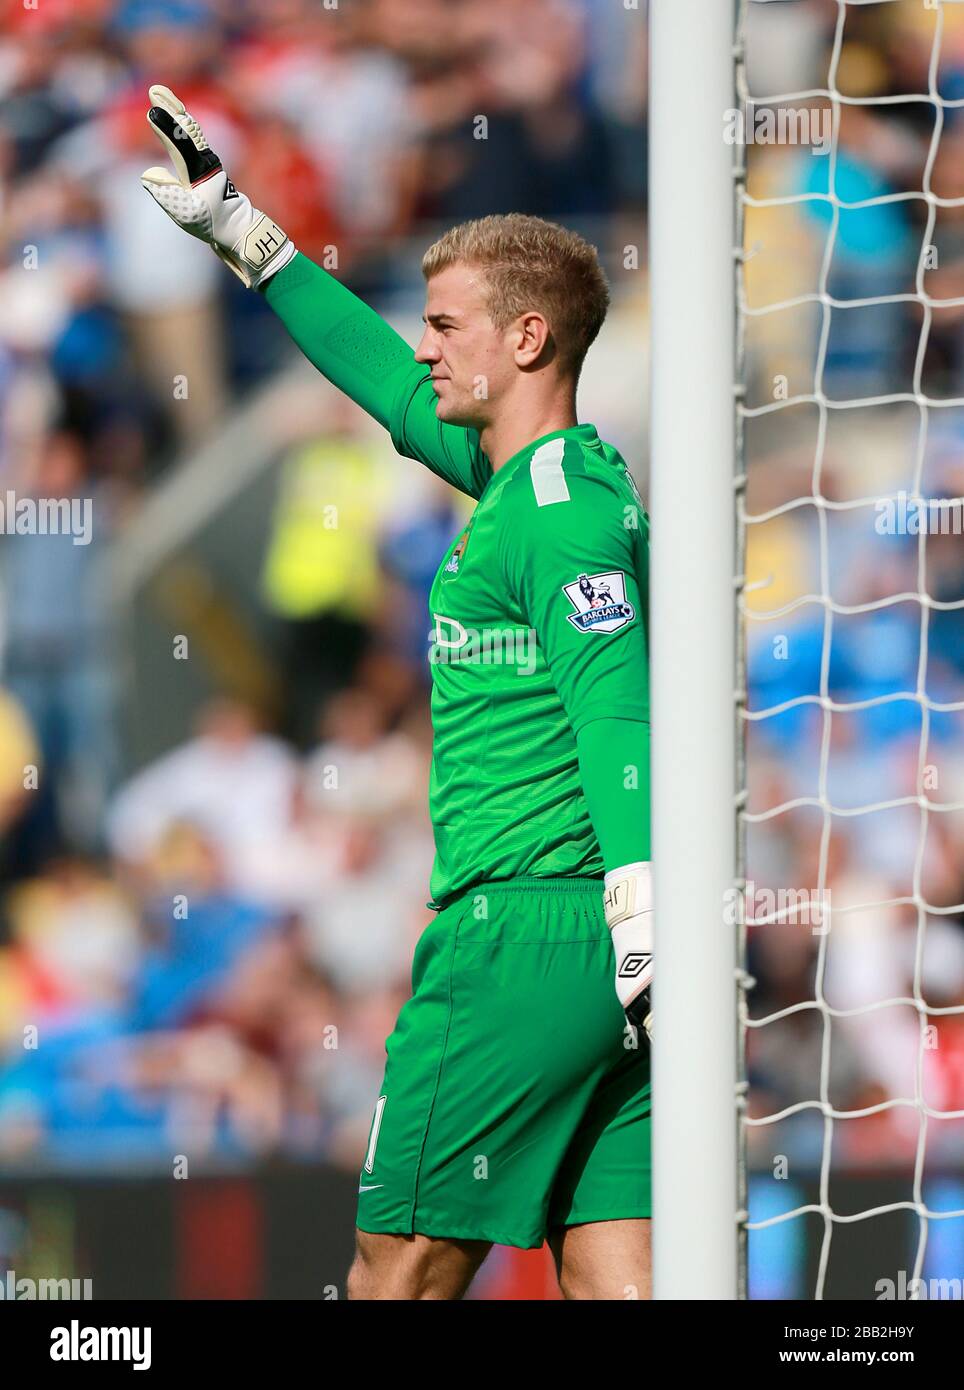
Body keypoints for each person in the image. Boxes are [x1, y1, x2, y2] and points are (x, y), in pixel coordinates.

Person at [140, 85, 653, 1300]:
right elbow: (380, 378)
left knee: (394, 1269)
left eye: (446, 324)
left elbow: (613, 700)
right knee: (619, 1272)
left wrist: (636, 888)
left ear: (526, 340)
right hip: (595, 949)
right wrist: (245, 236)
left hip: (521, 930)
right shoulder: (538, 476)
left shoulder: (556, 517)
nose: (423, 345)